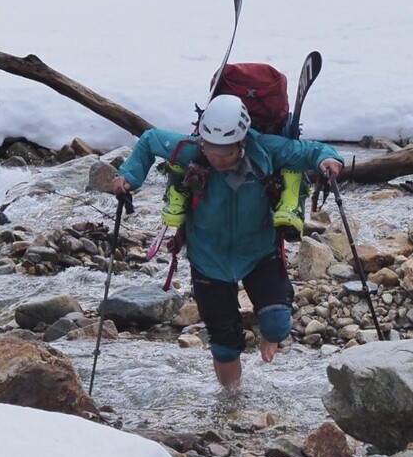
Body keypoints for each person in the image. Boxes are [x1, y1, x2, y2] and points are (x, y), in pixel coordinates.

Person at [113, 94, 345, 393]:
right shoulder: (190, 150)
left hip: (259, 251)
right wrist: (128, 177)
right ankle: (231, 400)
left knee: (277, 324)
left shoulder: (268, 150)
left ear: (243, 142)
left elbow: (313, 151)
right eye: (212, 151)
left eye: (226, 153)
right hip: (208, 257)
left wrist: (330, 160)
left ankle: (268, 331)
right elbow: (149, 140)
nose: (218, 159)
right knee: (225, 343)